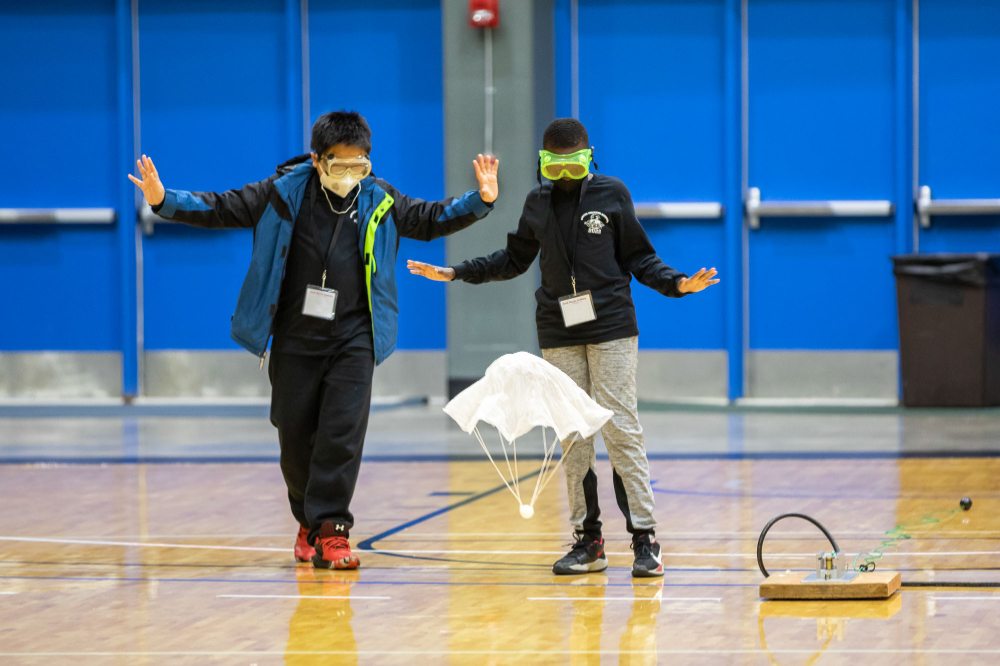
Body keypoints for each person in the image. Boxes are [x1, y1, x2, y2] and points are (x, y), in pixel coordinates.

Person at [129, 111, 499, 569]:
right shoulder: (281, 193)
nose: (349, 175)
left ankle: (333, 531)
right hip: (294, 339)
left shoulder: (379, 198)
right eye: (338, 166)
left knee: (341, 435)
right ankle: (308, 520)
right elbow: (221, 207)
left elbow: (429, 218)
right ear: (316, 159)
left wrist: (480, 200)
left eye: (358, 165)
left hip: (354, 338)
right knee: (295, 437)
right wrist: (163, 199)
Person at [407, 118, 717, 578]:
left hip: (611, 324)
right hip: (558, 328)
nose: (565, 177)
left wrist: (676, 284)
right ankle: (588, 541)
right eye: (556, 168)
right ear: (543, 165)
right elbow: (513, 259)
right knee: (572, 433)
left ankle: (644, 537)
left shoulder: (613, 194)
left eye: (574, 166)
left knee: (619, 426)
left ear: (588, 158)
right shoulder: (537, 202)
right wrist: (457, 272)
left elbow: (639, 256)